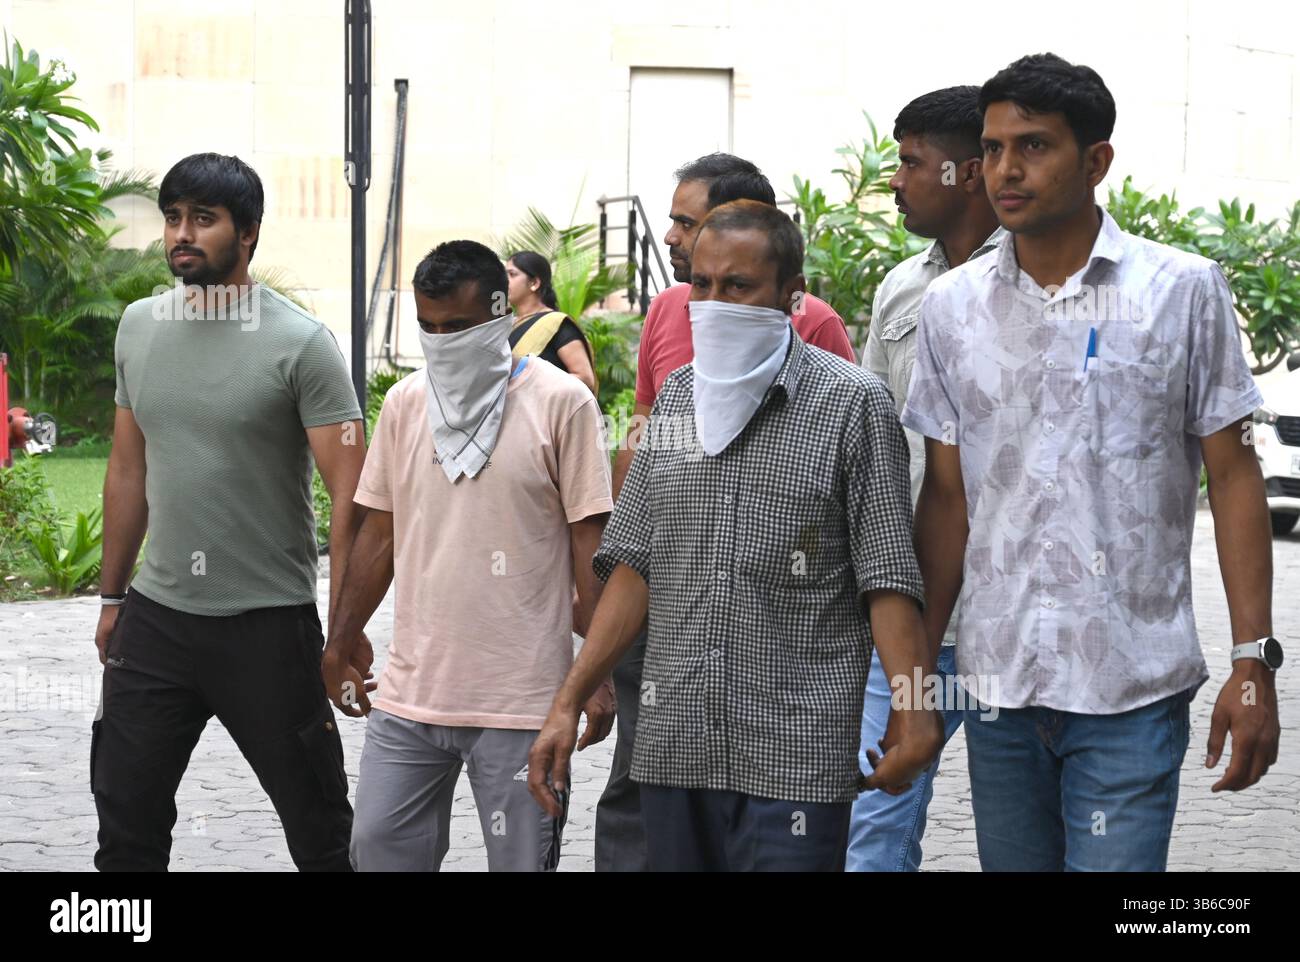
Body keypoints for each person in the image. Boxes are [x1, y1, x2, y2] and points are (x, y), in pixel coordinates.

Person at [904, 53, 1282, 871]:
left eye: (1033, 146)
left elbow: (1235, 471)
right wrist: (914, 688)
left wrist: (1252, 660)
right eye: (994, 148)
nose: (1006, 169)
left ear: (1097, 160)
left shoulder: (1182, 291)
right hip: (997, 685)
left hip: (1132, 688)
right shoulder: (950, 309)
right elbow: (945, 499)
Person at [530, 201, 944, 872]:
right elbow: (635, 565)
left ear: (791, 294)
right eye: (703, 285)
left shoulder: (853, 403)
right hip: (673, 748)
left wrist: (916, 710)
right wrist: (568, 700)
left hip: (795, 754)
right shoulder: (676, 399)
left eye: (739, 287)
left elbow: (888, 577)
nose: (715, 302)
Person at [94, 153, 365, 871]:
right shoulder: (138, 327)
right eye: (174, 217)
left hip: (268, 627)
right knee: (126, 828)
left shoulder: (302, 344)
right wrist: (113, 597)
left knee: (321, 835)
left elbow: (355, 496)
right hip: (155, 620)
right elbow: (128, 469)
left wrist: (342, 632)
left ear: (248, 233)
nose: (182, 234)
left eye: (203, 220)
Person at [594, 152, 858, 872]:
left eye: (690, 222)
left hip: (785, 679)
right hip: (673, 631)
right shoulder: (668, 322)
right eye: (681, 233)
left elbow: (874, 551)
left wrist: (909, 699)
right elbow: (647, 431)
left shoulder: (833, 360)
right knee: (635, 790)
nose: (677, 240)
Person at [322, 240, 616, 872]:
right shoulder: (405, 404)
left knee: (521, 862)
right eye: (427, 328)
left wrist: (594, 677)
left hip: (522, 703)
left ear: (498, 312)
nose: (441, 341)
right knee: (376, 849)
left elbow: (591, 548)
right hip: (409, 695)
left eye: (456, 326)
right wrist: (338, 642)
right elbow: (378, 536)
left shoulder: (563, 404)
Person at [847, 86, 1004, 872]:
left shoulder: (1040, 282)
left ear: (967, 172)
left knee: (1021, 836)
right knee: (873, 823)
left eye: (911, 163)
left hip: (1017, 624)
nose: (895, 181)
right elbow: (878, 437)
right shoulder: (903, 287)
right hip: (912, 618)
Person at [506, 251, 598, 396]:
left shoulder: (557, 324)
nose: (505, 280)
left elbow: (585, 379)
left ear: (534, 283)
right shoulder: (507, 324)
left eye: (512, 274)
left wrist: (532, 386)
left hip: (543, 414)